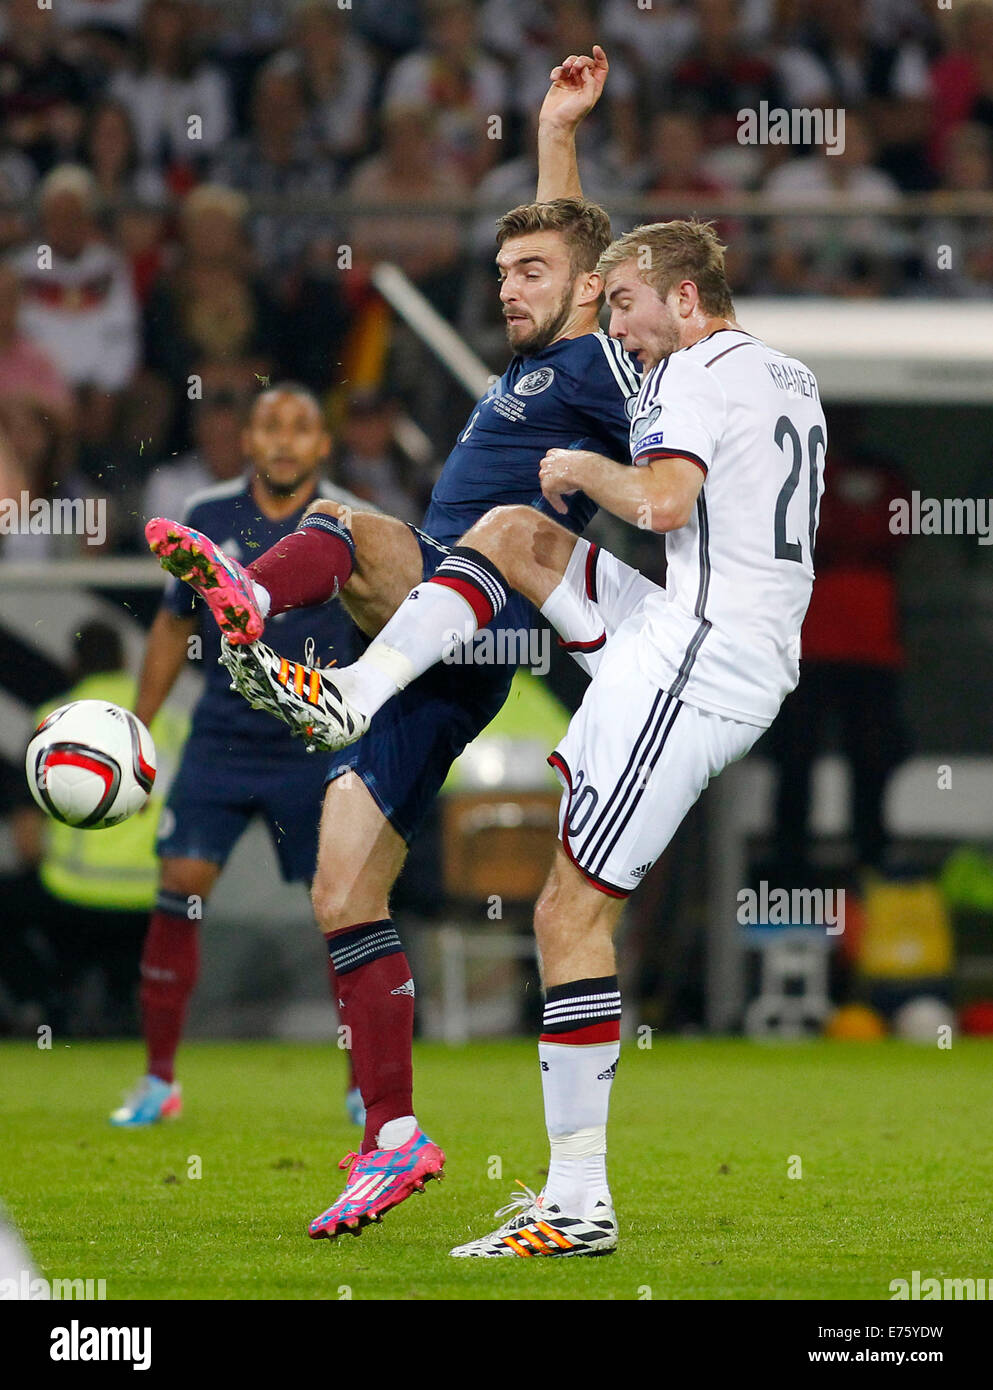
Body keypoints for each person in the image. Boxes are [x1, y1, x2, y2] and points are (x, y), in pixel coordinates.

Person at [218, 63, 827, 1258]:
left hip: (696, 657)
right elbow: (581, 259)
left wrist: (584, 471)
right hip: (664, 624)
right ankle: (343, 689)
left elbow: (656, 496)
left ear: (680, 300)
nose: (613, 316)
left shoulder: (672, 370)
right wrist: (556, 133)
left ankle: (578, 1203)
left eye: (626, 303)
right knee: (513, 538)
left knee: (568, 910)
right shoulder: (762, 367)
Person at [145, 48, 642, 1241]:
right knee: (340, 888)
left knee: (340, 524)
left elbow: (597, 277)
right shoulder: (538, 361)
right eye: (501, 267)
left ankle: (252, 607)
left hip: (487, 604)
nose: (507, 286)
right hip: (437, 641)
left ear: (589, 293)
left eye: (530, 274)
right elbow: (567, 231)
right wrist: (552, 124)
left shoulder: (600, 364)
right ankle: (395, 1137)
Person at [111, 383, 367, 1126]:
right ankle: (159, 1083)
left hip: (314, 744)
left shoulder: (351, 520)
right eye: (270, 426)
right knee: (181, 885)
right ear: (248, 441)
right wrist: (139, 725)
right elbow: (169, 629)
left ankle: (362, 1086)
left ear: (323, 445)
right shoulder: (207, 516)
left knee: (344, 907)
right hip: (221, 740)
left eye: (300, 426)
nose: (284, 440)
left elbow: (383, 633)